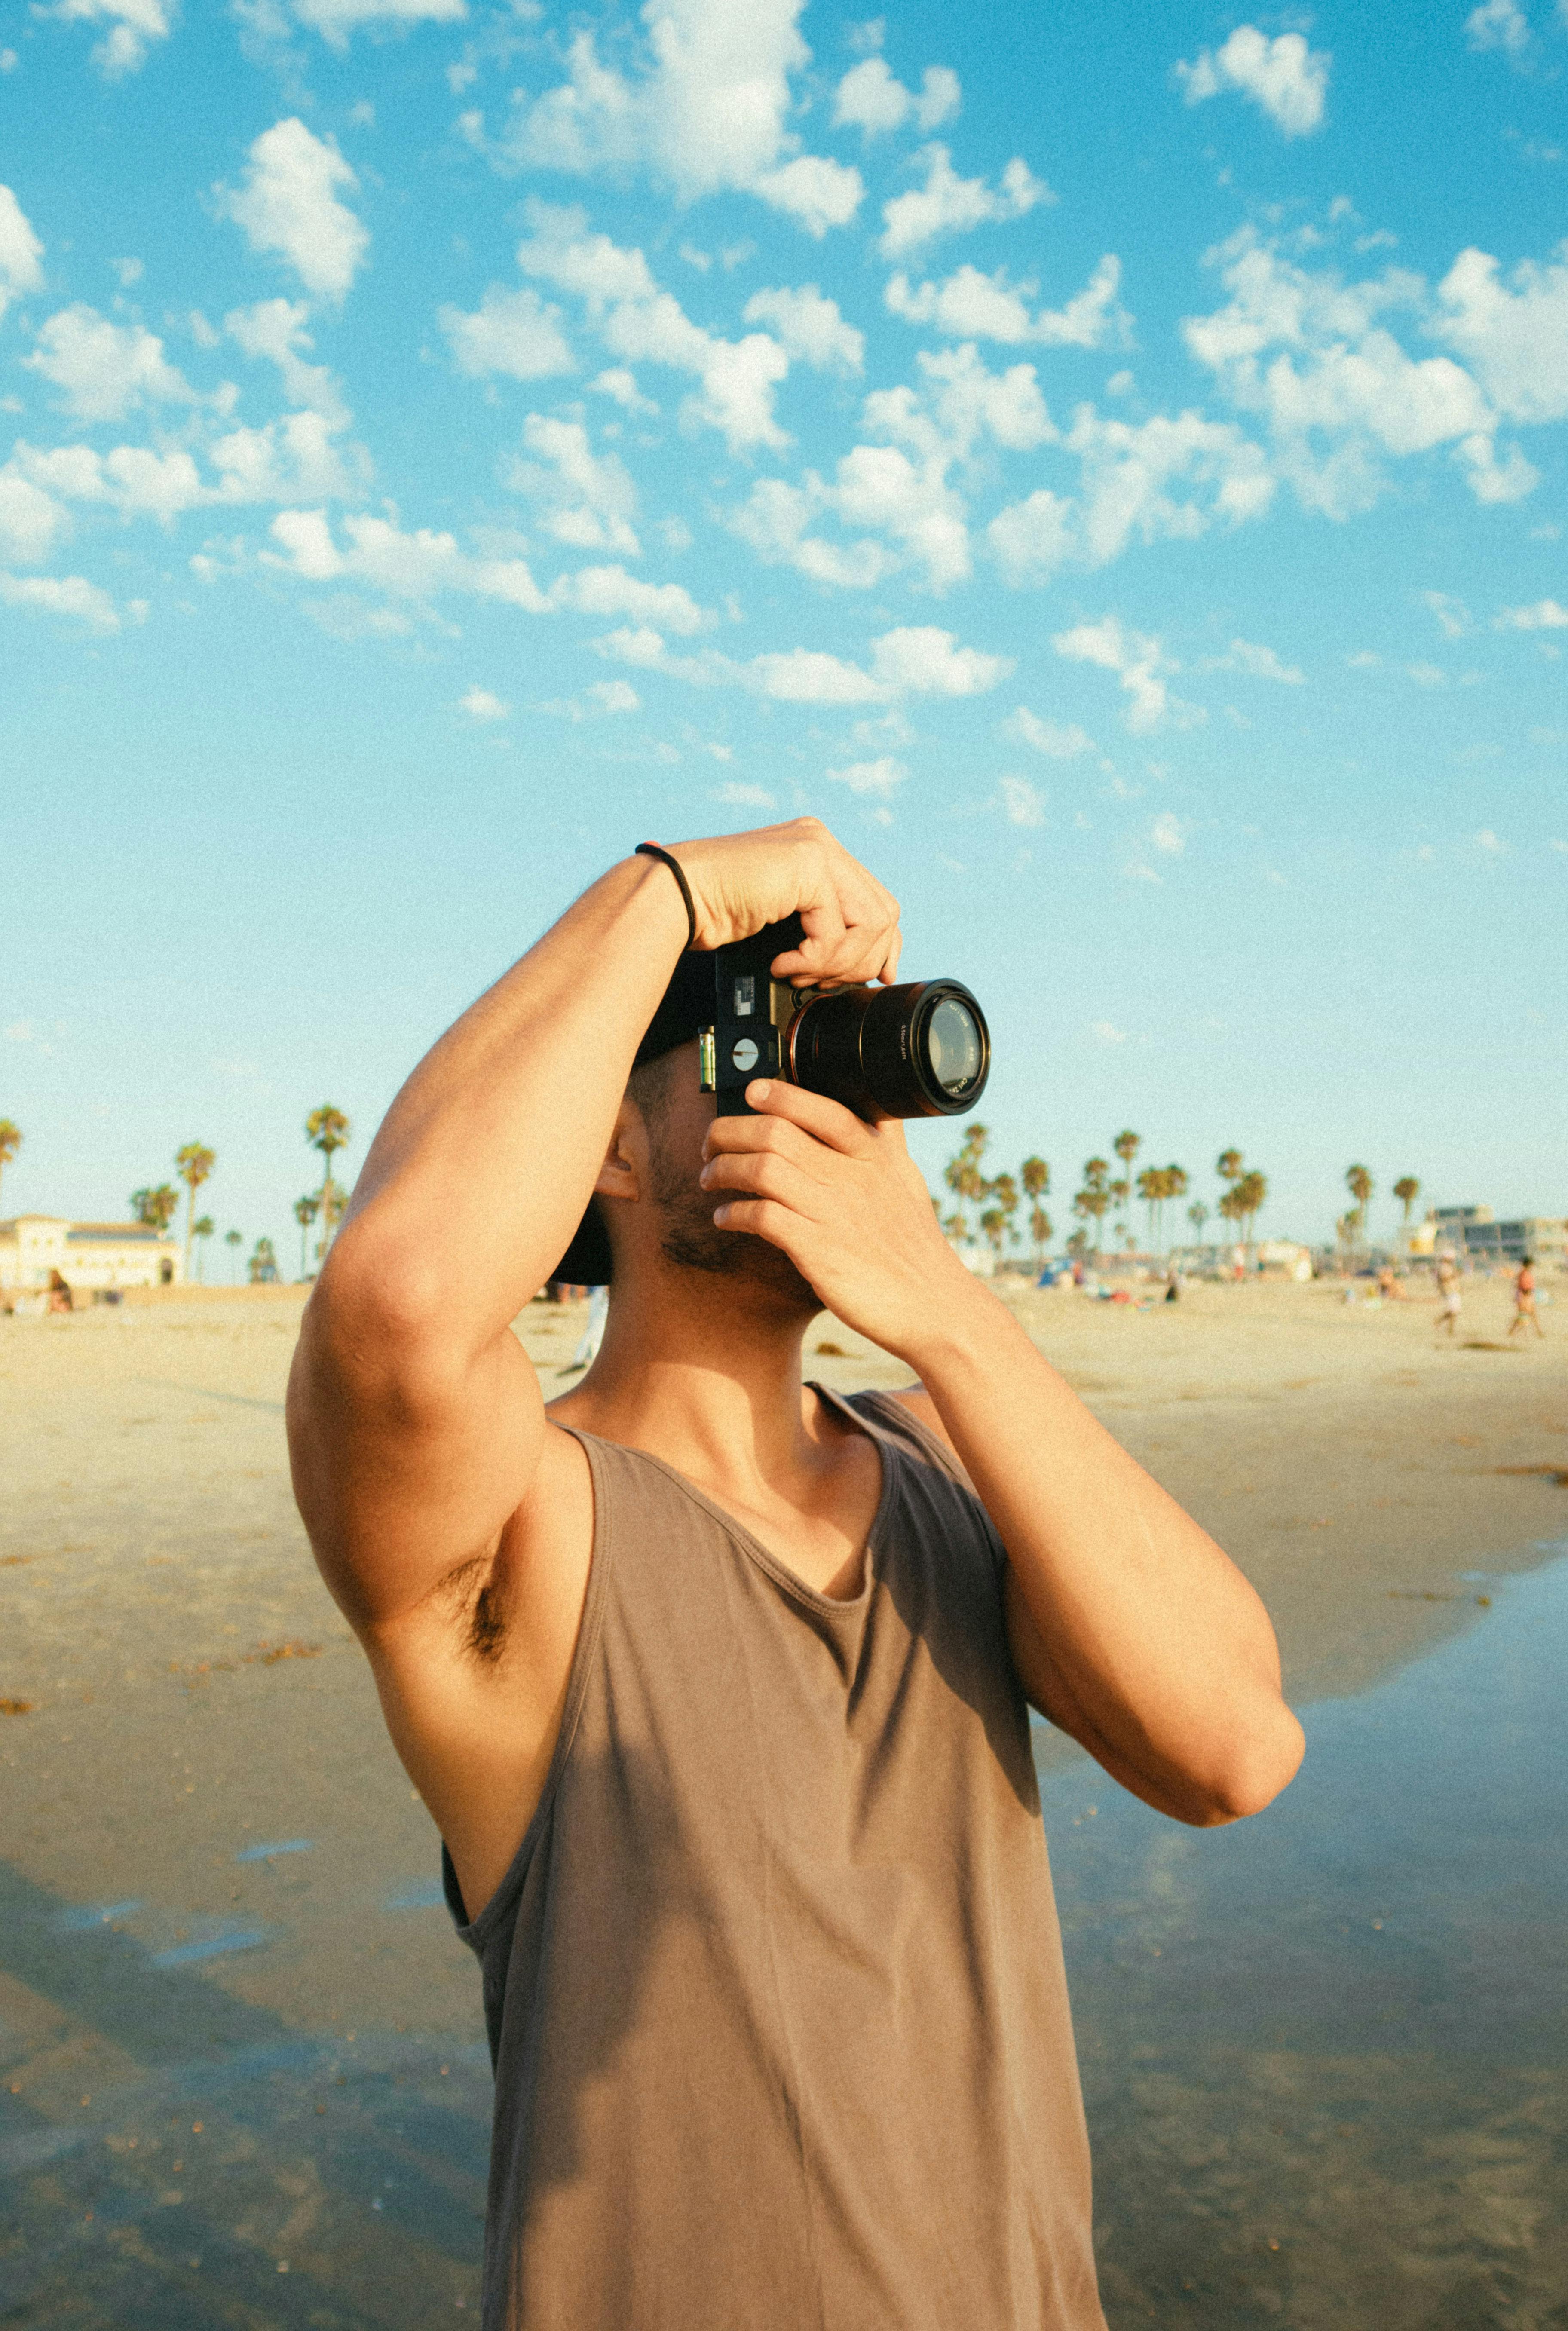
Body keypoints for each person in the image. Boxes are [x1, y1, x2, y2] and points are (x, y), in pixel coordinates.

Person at [287, 821, 1305, 2331]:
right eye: (761, 1054)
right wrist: (673, 890)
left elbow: (1232, 1749)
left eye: (841, 1071)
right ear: (609, 1145)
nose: (824, 1114)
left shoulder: (951, 1460)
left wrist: (946, 1308)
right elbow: (399, 1300)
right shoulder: (529, 1524)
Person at [1508, 1254, 1543, 1342]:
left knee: (1530, 1313)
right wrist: (1527, 1296)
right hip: (1524, 1296)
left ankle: (1538, 1331)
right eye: (1531, 1265)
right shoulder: (1524, 1274)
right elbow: (1524, 1287)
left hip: (1526, 1296)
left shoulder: (1524, 1273)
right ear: (1529, 1265)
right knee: (1524, 1315)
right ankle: (1512, 1332)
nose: (1532, 1266)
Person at [1434, 1252, 1462, 1341]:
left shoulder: (1449, 1267)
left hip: (1453, 1290)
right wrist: (1454, 1275)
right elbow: (1444, 1279)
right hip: (1449, 1291)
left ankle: (1440, 1322)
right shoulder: (1443, 1267)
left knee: (1455, 1311)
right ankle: (1449, 1329)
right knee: (1454, 1311)